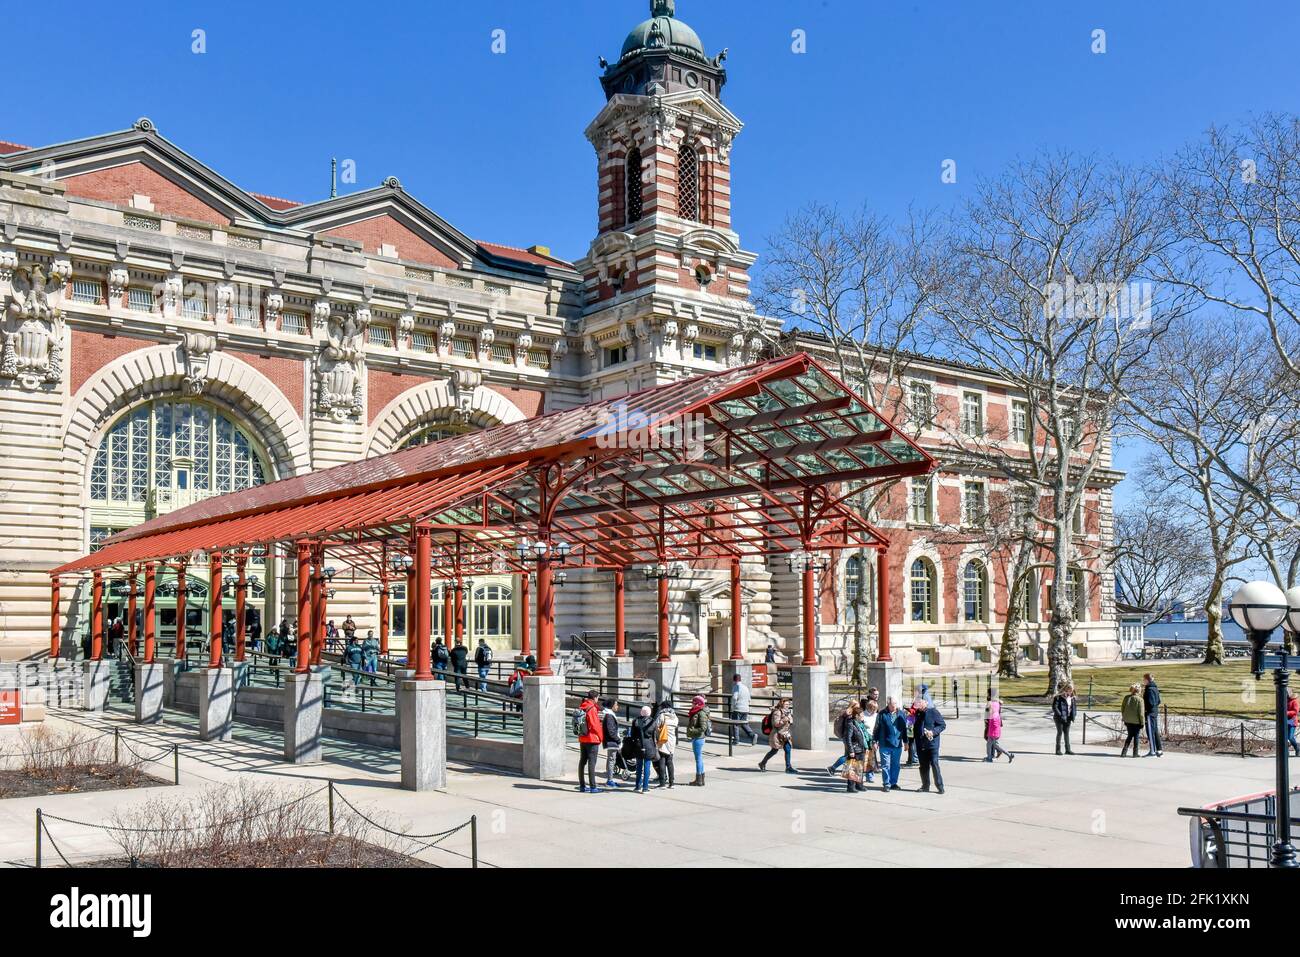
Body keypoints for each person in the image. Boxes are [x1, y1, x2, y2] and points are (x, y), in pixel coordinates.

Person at [913, 697, 947, 794]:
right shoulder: (917, 713)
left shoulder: (933, 712)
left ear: (926, 702)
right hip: (920, 745)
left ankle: (940, 786)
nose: (918, 704)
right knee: (923, 766)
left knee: (934, 764)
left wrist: (933, 732)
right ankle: (925, 786)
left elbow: (942, 725)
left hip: (932, 745)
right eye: (917, 703)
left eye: (920, 702)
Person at [874, 697, 907, 792]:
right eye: (892, 705)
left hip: (897, 744)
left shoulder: (901, 713)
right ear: (888, 704)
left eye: (895, 705)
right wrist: (874, 741)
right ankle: (886, 784)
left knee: (896, 765)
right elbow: (877, 728)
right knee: (886, 765)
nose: (894, 707)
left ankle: (893, 783)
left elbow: (904, 729)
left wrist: (906, 742)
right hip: (884, 743)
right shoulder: (882, 714)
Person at [758, 697, 796, 774]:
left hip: (785, 734)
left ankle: (788, 767)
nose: (787, 705)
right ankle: (762, 763)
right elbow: (776, 724)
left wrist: (790, 719)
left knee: (788, 749)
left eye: (788, 704)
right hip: (777, 735)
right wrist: (785, 719)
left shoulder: (787, 712)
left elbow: (790, 722)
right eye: (786, 704)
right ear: (782, 704)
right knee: (774, 751)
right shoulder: (777, 712)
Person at [575, 690, 603, 793]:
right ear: (595, 698)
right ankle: (593, 787)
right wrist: (601, 737)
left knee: (582, 761)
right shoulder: (592, 708)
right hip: (592, 739)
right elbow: (595, 725)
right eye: (598, 698)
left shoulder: (582, 706)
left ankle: (582, 785)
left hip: (583, 737)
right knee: (592, 762)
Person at [630, 705, 659, 793]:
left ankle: (637, 786)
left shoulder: (635, 721)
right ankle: (645, 787)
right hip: (649, 745)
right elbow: (656, 735)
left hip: (638, 745)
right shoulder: (653, 722)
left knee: (638, 766)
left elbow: (632, 735)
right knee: (647, 766)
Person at [842, 702, 869, 793]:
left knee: (860, 768)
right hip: (855, 749)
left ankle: (859, 785)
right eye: (862, 715)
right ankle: (851, 787)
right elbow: (848, 738)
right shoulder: (850, 723)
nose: (863, 716)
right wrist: (851, 750)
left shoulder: (860, 724)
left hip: (861, 749)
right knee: (852, 768)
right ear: (857, 716)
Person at [654, 697, 679, 788]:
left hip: (663, 740)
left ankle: (662, 783)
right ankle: (672, 783)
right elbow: (676, 726)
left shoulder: (662, 715)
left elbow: (656, 727)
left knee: (662, 761)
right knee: (670, 761)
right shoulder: (675, 716)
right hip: (672, 740)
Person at [686, 694, 710, 786]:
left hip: (698, 738)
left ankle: (699, 779)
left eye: (693, 702)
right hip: (697, 737)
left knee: (698, 759)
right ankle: (701, 779)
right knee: (699, 758)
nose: (692, 704)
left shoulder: (701, 713)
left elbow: (703, 727)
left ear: (698, 703)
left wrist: (692, 731)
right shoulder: (696, 711)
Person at [984, 691, 1014, 762]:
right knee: (989, 743)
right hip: (997, 721)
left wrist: (985, 720)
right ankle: (989, 757)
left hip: (993, 723)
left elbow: (987, 712)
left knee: (995, 744)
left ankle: (1008, 754)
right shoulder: (998, 703)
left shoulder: (990, 703)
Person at [729, 673, 757, 745]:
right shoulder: (745, 687)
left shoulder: (736, 687)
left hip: (738, 708)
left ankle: (736, 740)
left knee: (735, 724)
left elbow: (734, 698)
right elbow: (749, 699)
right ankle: (752, 735)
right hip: (745, 708)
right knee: (744, 724)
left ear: (734, 680)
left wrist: (733, 707)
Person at [600, 698, 622, 787]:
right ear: (612, 706)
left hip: (611, 741)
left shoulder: (609, 715)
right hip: (611, 742)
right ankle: (609, 780)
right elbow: (611, 731)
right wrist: (618, 740)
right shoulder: (609, 716)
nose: (617, 706)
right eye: (616, 705)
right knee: (611, 760)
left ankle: (610, 779)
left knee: (611, 760)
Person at [1120, 683, 1144, 758]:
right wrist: (1142, 722)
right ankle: (1135, 753)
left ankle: (1124, 752)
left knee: (1129, 736)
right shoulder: (1140, 700)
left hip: (1127, 720)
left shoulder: (1126, 698)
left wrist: (1124, 717)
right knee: (1136, 736)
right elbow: (1141, 713)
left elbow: (1122, 708)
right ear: (1139, 691)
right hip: (1136, 721)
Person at [1142, 673, 1164, 757]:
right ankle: (1159, 750)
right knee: (1155, 731)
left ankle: (1152, 751)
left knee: (1150, 732)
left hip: (1150, 713)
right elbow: (1158, 701)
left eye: (1144, 679)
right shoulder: (1155, 688)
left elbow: (1151, 702)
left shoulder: (1149, 689)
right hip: (1154, 712)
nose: (1143, 681)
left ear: (1147, 680)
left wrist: (1146, 707)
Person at [1052, 684, 1077, 756]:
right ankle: (1058, 750)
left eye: (1071, 690)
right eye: (1069, 690)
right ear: (1066, 689)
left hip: (1068, 718)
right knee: (1059, 733)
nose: (1070, 692)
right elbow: (1054, 707)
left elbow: (1074, 707)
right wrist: (1060, 715)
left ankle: (1068, 750)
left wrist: (1074, 715)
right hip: (1059, 718)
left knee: (1066, 733)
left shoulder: (1072, 698)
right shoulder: (1058, 697)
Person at [861, 696, 881, 783]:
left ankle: (870, 775)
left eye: (876, 709)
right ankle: (862, 775)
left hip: (874, 739)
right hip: (865, 739)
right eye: (874, 709)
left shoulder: (877, 715)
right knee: (864, 758)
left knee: (872, 758)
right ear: (869, 708)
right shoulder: (863, 715)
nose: (875, 711)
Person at [1287, 688, 1300, 758]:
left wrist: (1287, 712)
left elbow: (1295, 711)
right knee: (1284, 737)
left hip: (1292, 721)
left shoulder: (1294, 701)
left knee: (1290, 737)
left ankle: (1297, 748)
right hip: (1284, 721)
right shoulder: (1286, 700)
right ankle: (1285, 751)